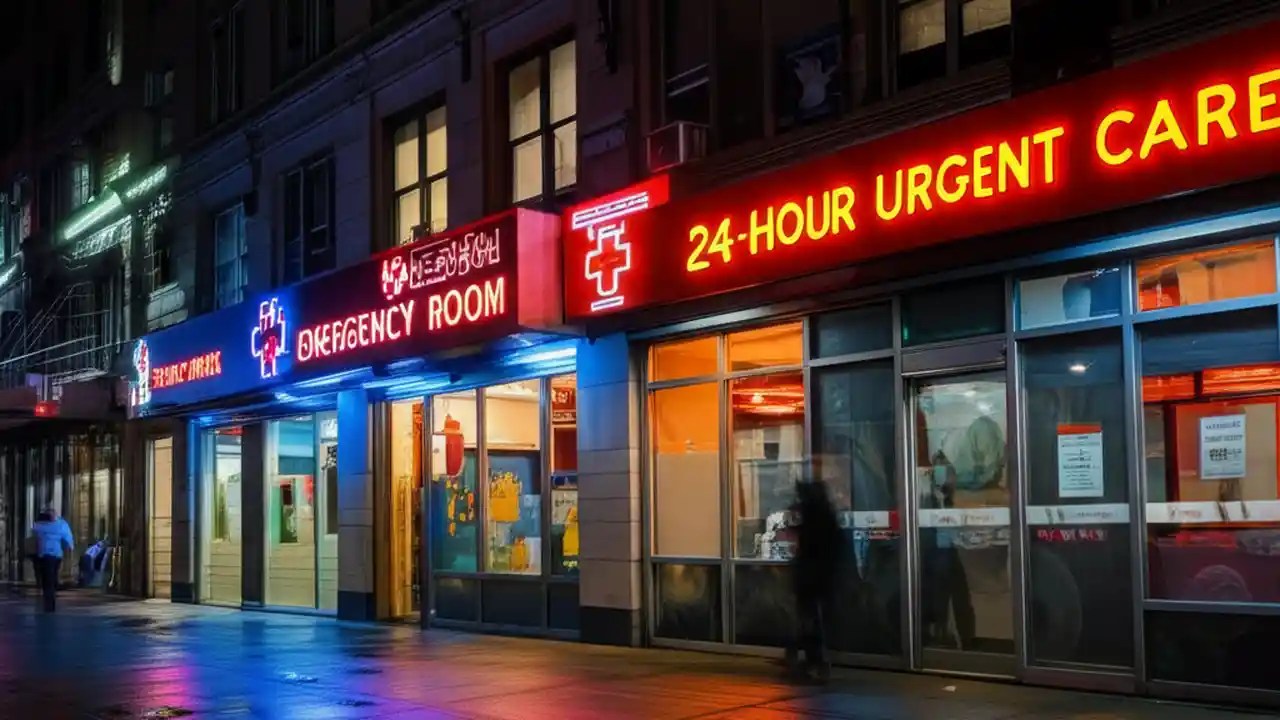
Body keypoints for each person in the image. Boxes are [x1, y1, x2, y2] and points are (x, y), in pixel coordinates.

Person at [787, 479, 844, 683]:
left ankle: (812, 660)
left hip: (811, 577)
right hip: (823, 576)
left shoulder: (810, 518)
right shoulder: (826, 516)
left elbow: (806, 547)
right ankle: (815, 660)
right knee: (815, 620)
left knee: (809, 620)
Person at [29, 508, 75, 612]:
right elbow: (67, 538)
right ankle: (50, 598)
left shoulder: (39, 525)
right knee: (52, 577)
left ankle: (48, 597)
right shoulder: (61, 524)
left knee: (46, 578)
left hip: (43, 555)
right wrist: (70, 546)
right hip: (55, 555)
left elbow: (33, 535)